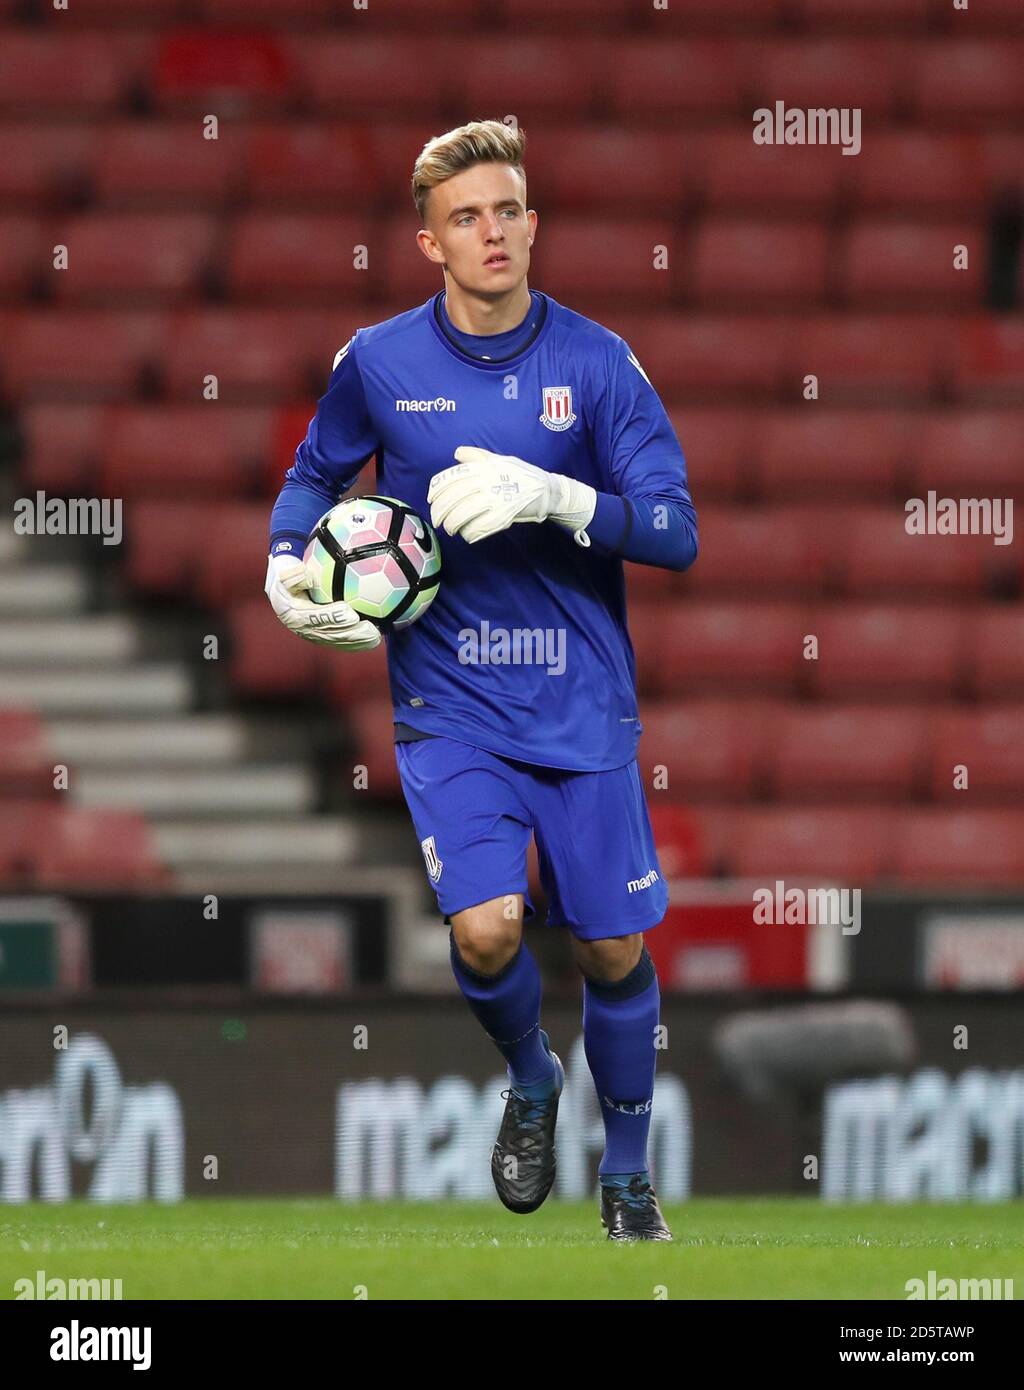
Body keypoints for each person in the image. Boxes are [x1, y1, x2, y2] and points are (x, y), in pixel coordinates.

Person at [266, 119, 698, 1240]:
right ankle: (532, 1075)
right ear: (429, 243)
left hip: (580, 697)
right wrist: (282, 567)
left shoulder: (599, 364)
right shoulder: (380, 362)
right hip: (448, 702)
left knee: (609, 945)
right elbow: (312, 476)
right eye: (467, 216)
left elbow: (673, 530)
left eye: (508, 211)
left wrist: (558, 499)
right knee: (488, 932)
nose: (491, 231)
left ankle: (628, 1174)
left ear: (533, 226)